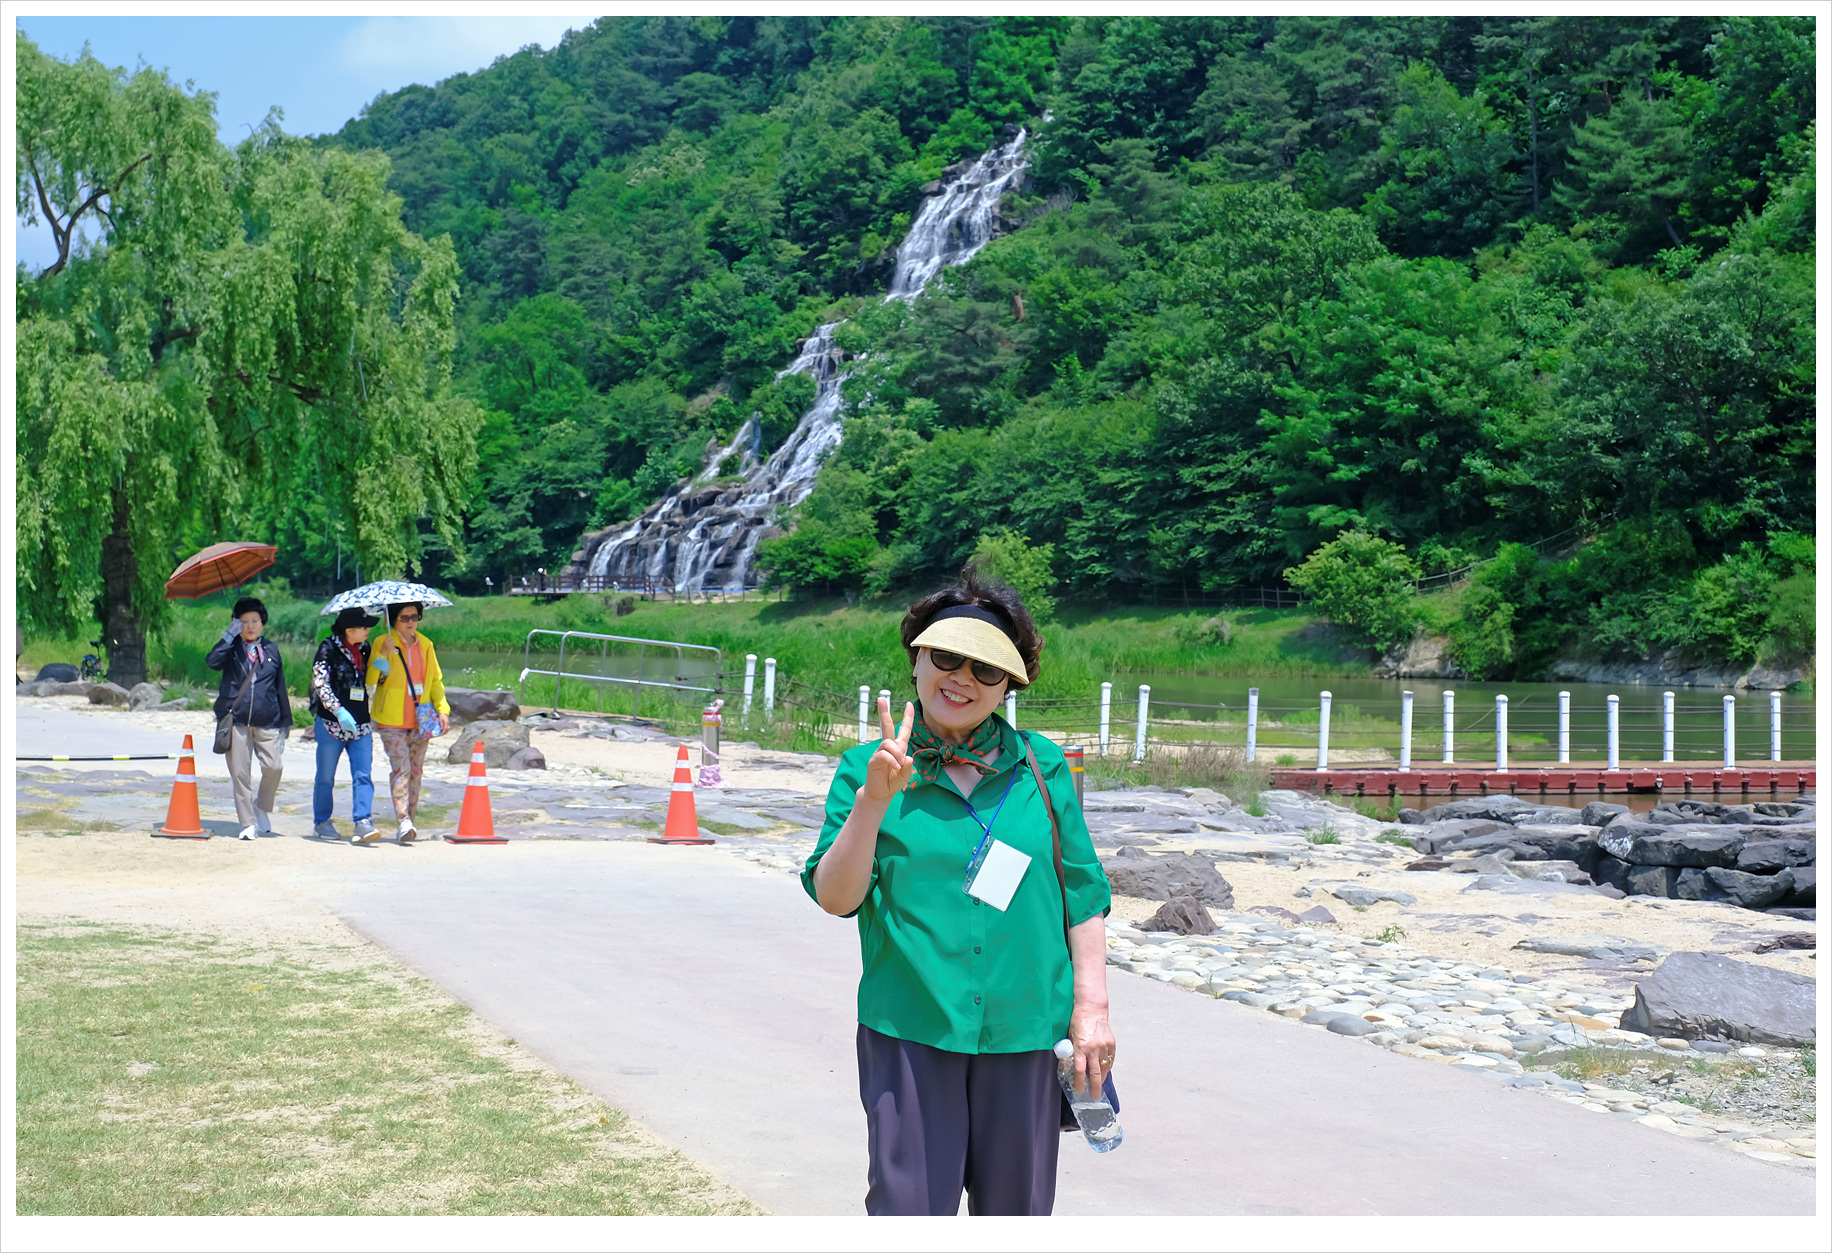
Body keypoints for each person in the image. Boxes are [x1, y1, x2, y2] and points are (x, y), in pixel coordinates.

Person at [801, 567, 1115, 1216]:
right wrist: (872, 804)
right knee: (906, 1208)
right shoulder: (867, 767)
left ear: (1008, 685)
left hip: (1027, 1029)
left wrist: (1092, 1011)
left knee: (1017, 1212)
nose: (962, 679)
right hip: (912, 1024)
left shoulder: (1041, 763)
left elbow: (1081, 893)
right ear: (916, 659)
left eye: (986, 669)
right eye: (947, 657)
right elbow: (836, 896)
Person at [207, 596, 292, 841]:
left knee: (274, 767)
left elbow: (280, 686)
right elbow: (212, 662)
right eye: (244, 622)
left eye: (255, 620)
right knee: (240, 774)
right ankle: (247, 823)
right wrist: (228, 635)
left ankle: (261, 806)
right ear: (237, 624)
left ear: (262, 622)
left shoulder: (272, 649)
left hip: (268, 719)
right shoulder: (231, 648)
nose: (250, 626)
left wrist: (285, 723)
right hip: (237, 720)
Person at [365, 601, 449, 843]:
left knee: (416, 771)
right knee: (401, 768)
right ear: (393, 620)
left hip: (420, 718)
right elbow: (372, 679)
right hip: (390, 719)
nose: (410, 621)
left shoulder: (426, 644)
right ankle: (403, 820)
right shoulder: (383, 642)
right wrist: (383, 655)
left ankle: (410, 821)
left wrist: (443, 709)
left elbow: (435, 681)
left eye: (414, 616)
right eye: (404, 617)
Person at [309, 607, 378, 842]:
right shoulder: (327, 648)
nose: (368, 631)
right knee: (326, 776)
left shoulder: (366, 649)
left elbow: (371, 679)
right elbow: (320, 682)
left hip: (360, 723)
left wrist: (384, 669)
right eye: (364, 627)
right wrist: (337, 710)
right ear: (349, 630)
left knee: (363, 774)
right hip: (331, 723)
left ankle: (363, 821)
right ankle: (322, 821)